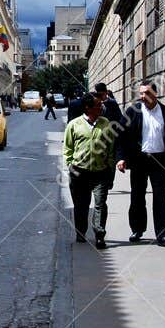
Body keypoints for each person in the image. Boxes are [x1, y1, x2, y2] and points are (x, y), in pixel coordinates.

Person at [115, 80, 165, 248]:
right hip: (139, 160)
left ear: (155, 94)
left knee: (161, 198)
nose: (143, 96)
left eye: (146, 93)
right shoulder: (133, 112)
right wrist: (120, 158)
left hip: (159, 161)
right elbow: (120, 137)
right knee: (137, 196)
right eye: (141, 93)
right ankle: (137, 229)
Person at [63, 94, 116, 249]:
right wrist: (71, 165)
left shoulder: (105, 124)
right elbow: (68, 148)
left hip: (101, 172)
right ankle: (81, 232)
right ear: (88, 107)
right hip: (80, 173)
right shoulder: (74, 125)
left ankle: (99, 235)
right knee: (81, 205)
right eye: (98, 105)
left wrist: (110, 169)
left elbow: (111, 148)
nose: (101, 108)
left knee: (100, 204)